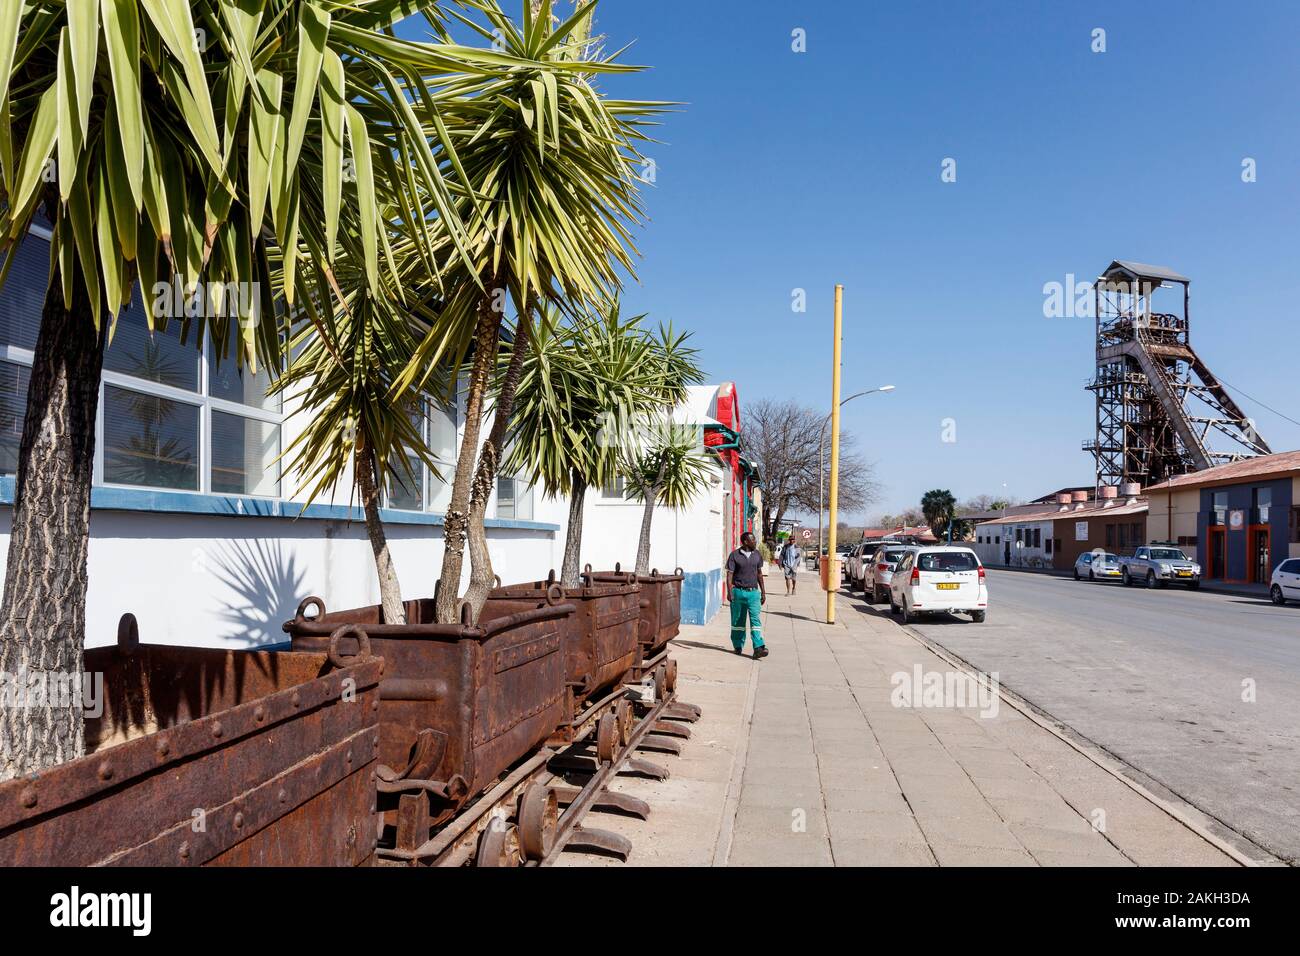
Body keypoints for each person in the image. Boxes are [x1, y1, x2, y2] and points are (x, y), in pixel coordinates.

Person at [726, 532, 768, 659]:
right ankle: (738, 645)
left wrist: (763, 592)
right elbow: (729, 575)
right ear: (745, 542)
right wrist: (729, 592)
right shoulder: (734, 555)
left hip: (753, 593)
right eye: (753, 540)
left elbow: (759, 573)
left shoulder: (757, 555)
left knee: (755, 620)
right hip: (738, 592)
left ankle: (758, 647)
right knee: (738, 620)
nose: (755, 542)